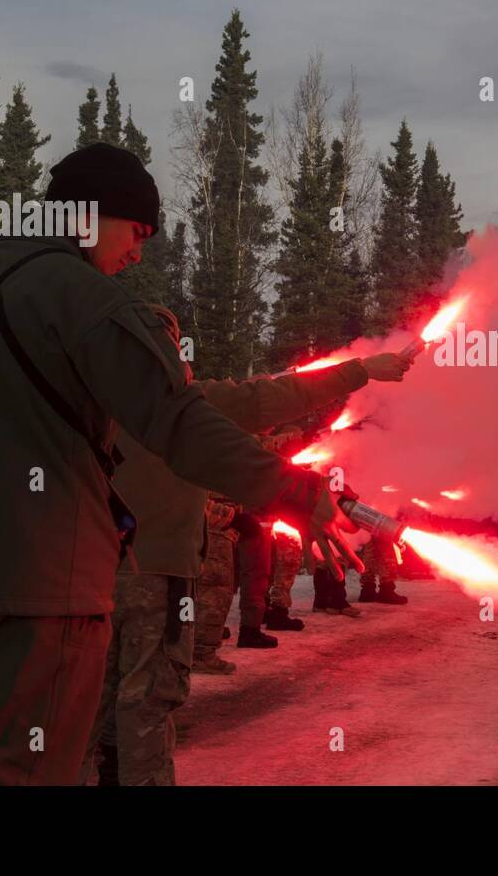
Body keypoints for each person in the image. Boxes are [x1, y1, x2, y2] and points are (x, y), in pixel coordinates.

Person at [0, 142, 360, 785]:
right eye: (136, 231)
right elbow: (178, 421)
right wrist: (295, 490)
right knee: (20, 774)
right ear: (92, 214)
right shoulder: (90, 303)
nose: (138, 252)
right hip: (37, 588)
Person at [84, 304, 411, 784]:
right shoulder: (182, 404)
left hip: (86, 577)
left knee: (89, 701)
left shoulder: (84, 404)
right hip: (156, 575)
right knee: (149, 700)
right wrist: (362, 370)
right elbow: (269, 398)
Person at [358, 539, 409, 605]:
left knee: (369, 547)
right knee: (385, 549)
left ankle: (368, 591)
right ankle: (386, 591)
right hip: (380, 530)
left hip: (367, 530)